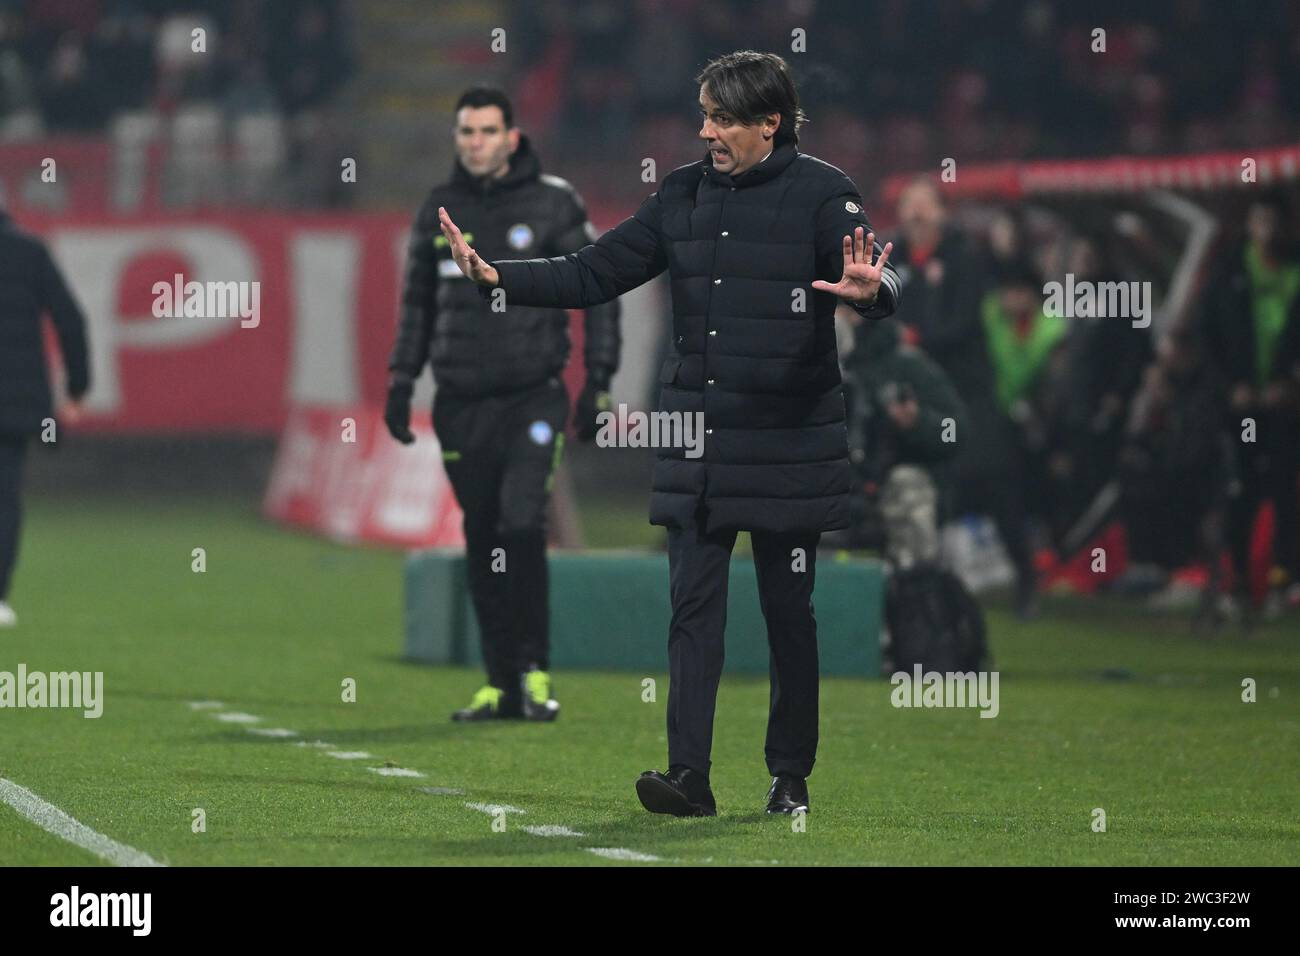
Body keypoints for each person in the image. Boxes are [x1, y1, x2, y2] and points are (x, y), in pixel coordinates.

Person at [439, 51, 900, 816]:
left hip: (788, 442)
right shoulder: (681, 195)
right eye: (705, 114)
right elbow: (595, 271)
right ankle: (689, 776)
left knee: (789, 614)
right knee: (692, 610)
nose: (706, 130)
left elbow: (877, 279)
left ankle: (789, 776)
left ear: (768, 123)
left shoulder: (826, 194)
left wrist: (874, 293)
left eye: (721, 117)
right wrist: (500, 278)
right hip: (700, 444)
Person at [384, 87, 622, 721]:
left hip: (532, 398)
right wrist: (401, 381)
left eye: (487, 131)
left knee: (522, 523)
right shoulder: (439, 209)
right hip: (460, 401)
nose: (476, 143)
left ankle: (534, 674)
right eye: (466, 132)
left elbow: (599, 290)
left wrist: (598, 379)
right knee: (483, 531)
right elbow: (417, 306)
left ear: (511, 138)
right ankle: (497, 682)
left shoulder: (553, 202)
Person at [1200, 197, 1300, 616]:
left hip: (1283, 407)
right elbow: (1209, 339)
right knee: (1241, 487)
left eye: (1276, 222)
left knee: (1284, 490)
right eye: (1262, 221)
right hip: (1242, 410)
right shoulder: (1229, 272)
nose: (1269, 231)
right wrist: (1230, 388)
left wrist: (1292, 382)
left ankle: (1284, 578)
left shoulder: (1294, 272)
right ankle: (1237, 575)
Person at [0, 201, 90, 627]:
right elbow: (71, 320)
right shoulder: (31, 253)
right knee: (4, 497)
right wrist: (77, 388)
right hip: (15, 404)